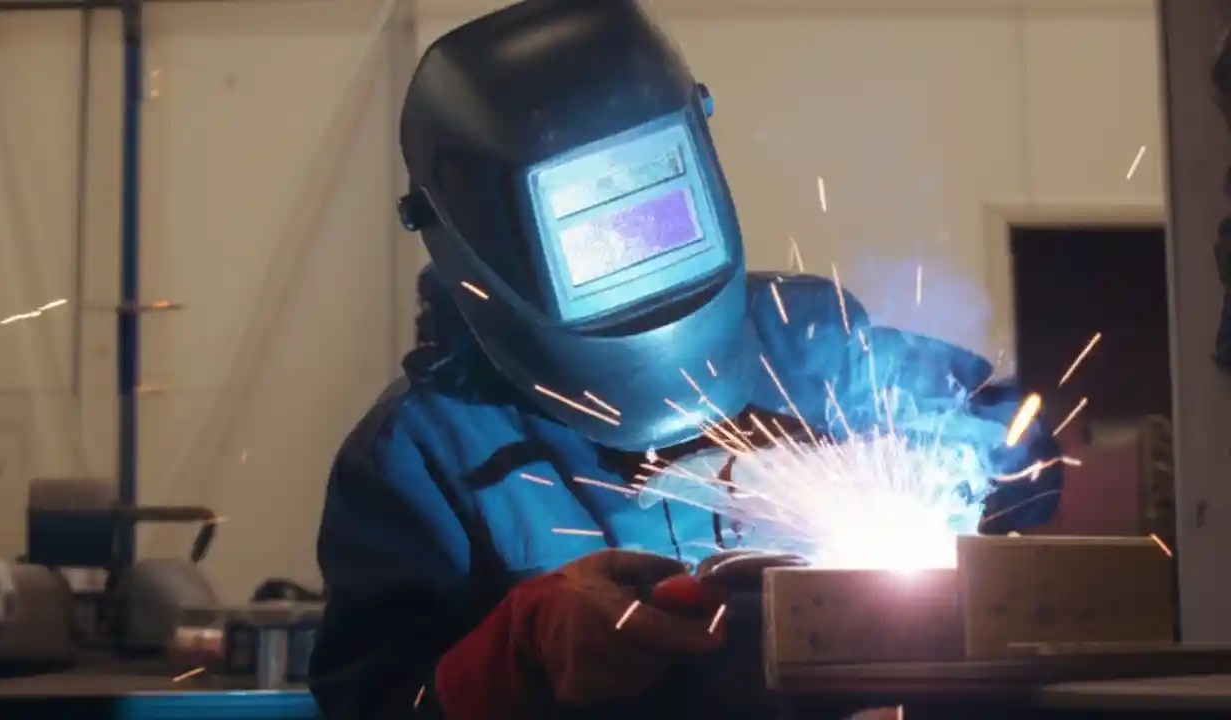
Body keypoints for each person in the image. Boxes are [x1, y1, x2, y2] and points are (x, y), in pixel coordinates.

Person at [308, 1, 1062, 718]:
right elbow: (373, 706)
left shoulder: (805, 337)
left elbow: (1018, 440)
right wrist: (521, 648)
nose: (635, 262)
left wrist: (911, 470)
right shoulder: (421, 455)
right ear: (475, 238)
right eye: (592, 236)